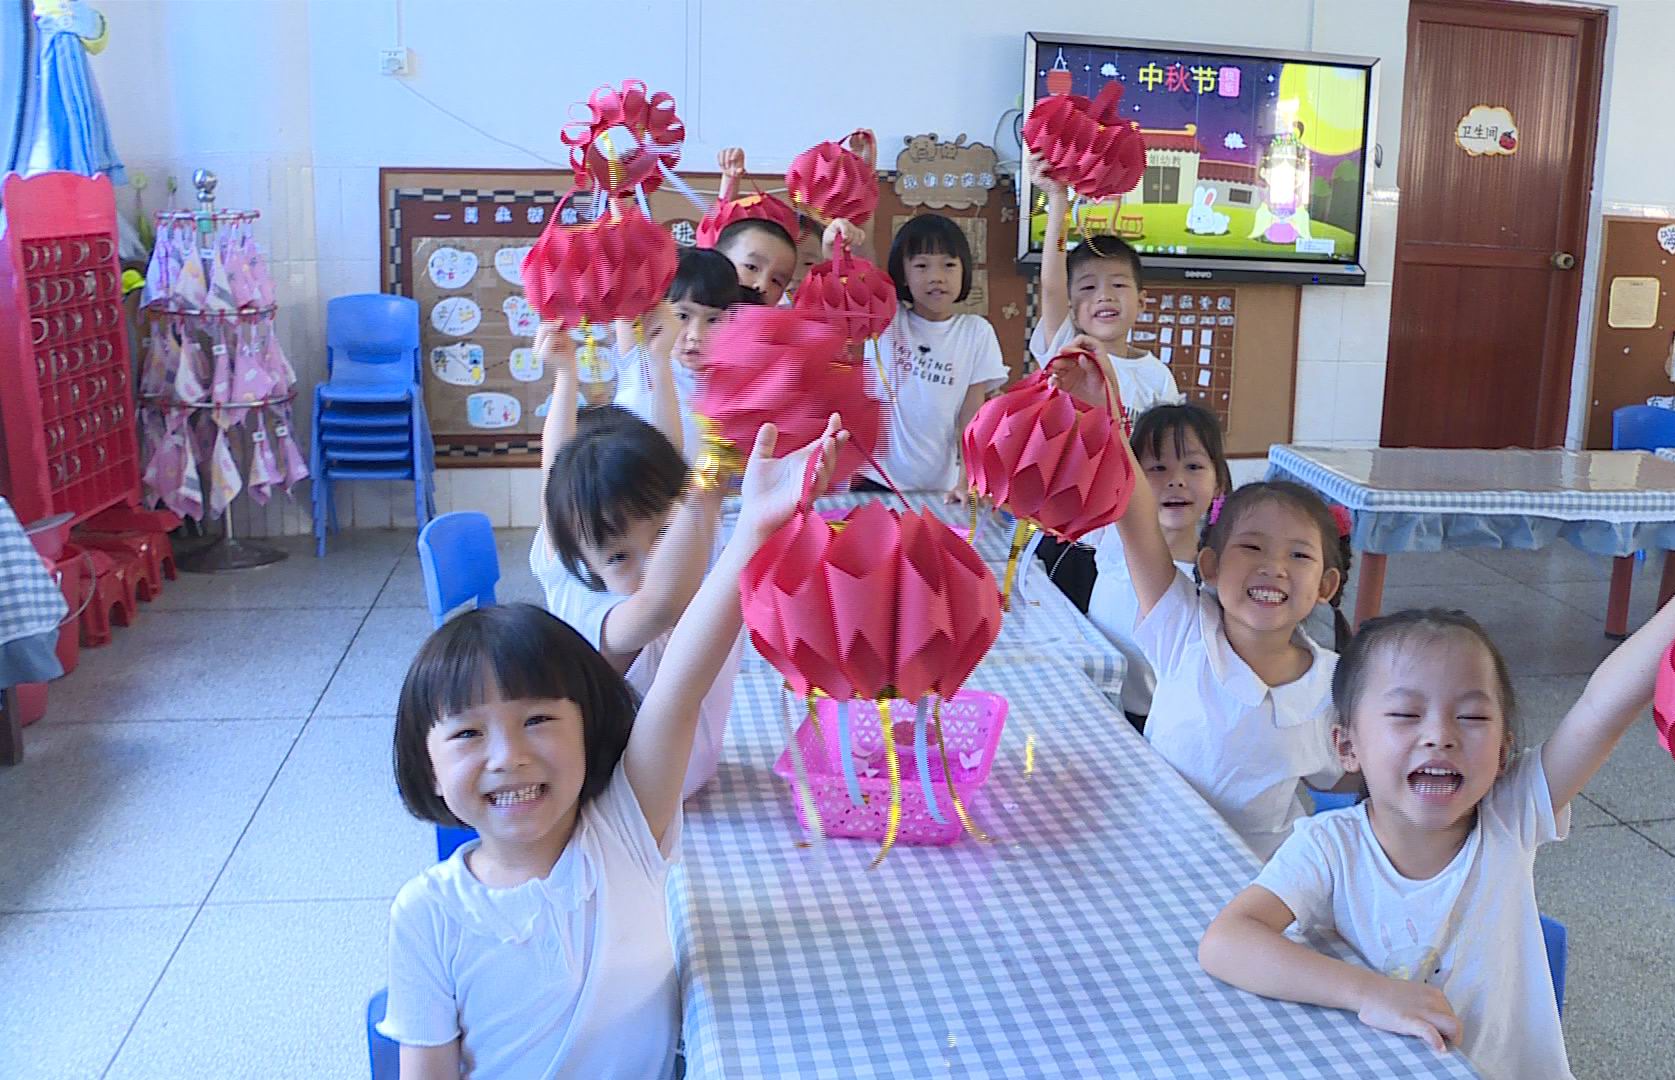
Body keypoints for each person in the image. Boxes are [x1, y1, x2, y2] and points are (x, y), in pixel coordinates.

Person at [1197, 499, 1675, 1080]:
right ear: (1347, 747)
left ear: (1504, 749)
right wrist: (1369, 992)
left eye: (1472, 718)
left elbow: (1606, 703)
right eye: (1405, 715)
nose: (1440, 737)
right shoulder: (1328, 848)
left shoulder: (1511, 812)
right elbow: (1227, 941)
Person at [379, 418, 847, 1079]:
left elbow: (680, 681)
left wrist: (755, 532)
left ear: (589, 723)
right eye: (467, 733)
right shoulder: (425, 914)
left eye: (538, 718)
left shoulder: (630, 827)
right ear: (426, 766)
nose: (507, 754)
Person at [1055, 348, 1346, 857]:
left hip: (1265, 880)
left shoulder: (1333, 684)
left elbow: (1347, 780)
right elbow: (1133, 510)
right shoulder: (1183, 628)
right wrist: (1102, 415)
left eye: (1299, 555)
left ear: (1326, 587)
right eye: (1251, 547)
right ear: (1209, 567)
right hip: (1155, 852)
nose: (1272, 567)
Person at [532, 321, 734, 797]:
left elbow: (668, 460)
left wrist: (573, 377)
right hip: (626, 799)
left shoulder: (675, 536)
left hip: (690, 783)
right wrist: (712, 477)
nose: (649, 563)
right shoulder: (590, 606)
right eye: (621, 556)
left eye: (663, 536)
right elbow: (660, 603)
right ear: (582, 561)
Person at [1025, 159, 1183, 610]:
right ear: (1074, 305)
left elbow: (1164, 460)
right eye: (1089, 289)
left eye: (1118, 285)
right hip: (1070, 539)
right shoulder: (1068, 352)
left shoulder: (1157, 376)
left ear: (1141, 300)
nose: (1105, 296)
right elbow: (1050, 283)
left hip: (1129, 544)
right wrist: (1058, 198)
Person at [1084, 403, 1231, 730]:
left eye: (1193, 466)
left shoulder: (1214, 579)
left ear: (1219, 481)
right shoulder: (1111, 535)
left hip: (1151, 728)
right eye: (1157, 468)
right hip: (1089, 705)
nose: (1176, 480)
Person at [860, 213, 1007, 497]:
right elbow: (864, 266)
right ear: (902, 274)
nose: (936, 277)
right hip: (874, 478)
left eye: (949, 265)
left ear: (964, 271)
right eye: (922, 266)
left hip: (941, 487)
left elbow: (972, 417)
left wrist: (967, 480)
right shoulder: (887, 318)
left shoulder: (976, 332)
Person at [613, 246, 752, 455]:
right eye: (683, 316)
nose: (696, 334)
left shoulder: (736, 382)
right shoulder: (639, 361)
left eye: (713, 320)